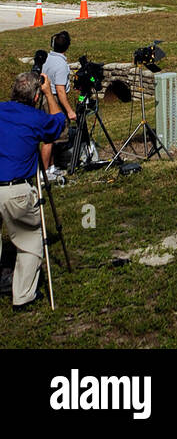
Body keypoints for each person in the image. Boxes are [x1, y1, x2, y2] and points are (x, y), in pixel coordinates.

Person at [0, 70, 66, 310]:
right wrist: (50, 94)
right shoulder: (35, 118)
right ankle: (24, 295)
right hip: (14, 189)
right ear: (36, 97)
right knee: (30, 239)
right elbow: (58, 124)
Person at [40, 32, 77, 177]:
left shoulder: (46, 59)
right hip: (53, 100)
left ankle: (51, 167)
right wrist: (69, 111)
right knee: (50, 139)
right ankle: (45, 172)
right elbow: (61, 91)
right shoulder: (61, 65)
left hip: (45, 98)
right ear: (67, 47)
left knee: (52, 137)